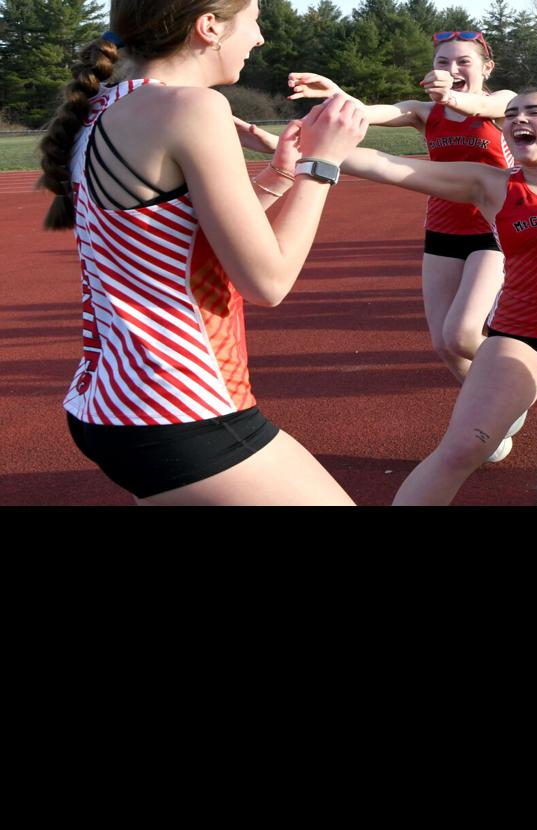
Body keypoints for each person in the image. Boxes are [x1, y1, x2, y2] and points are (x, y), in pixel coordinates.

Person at [42, 0, 368, 504]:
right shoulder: (194, 106)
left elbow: (177, 237)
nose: (259, 38)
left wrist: (281, 173)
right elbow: (268, 281)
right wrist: (323, 164)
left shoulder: (104, 106)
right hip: (182, 406)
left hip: (111, 404)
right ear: (209, 26)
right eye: (255, 20)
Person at [336, 89, 537, 506]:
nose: (518, 118)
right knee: (461, 448)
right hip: (522, 335)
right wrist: (315, 139)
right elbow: (386, 164)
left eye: (534, 111)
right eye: (512, 113)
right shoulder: (492, 184)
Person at [287, 29, 516, 390]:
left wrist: (451, 94)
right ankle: (493, 408)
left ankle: (519, 378)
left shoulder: (504, 102)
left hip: (493, 231)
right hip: (442, 231)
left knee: (464, 334)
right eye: (442, 62)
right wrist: (335, 93)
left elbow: (482, 107)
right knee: (444, 344)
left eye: (463, 62)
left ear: (487, 68)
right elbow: (369, 112)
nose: (451, 67)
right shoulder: (422, 112)